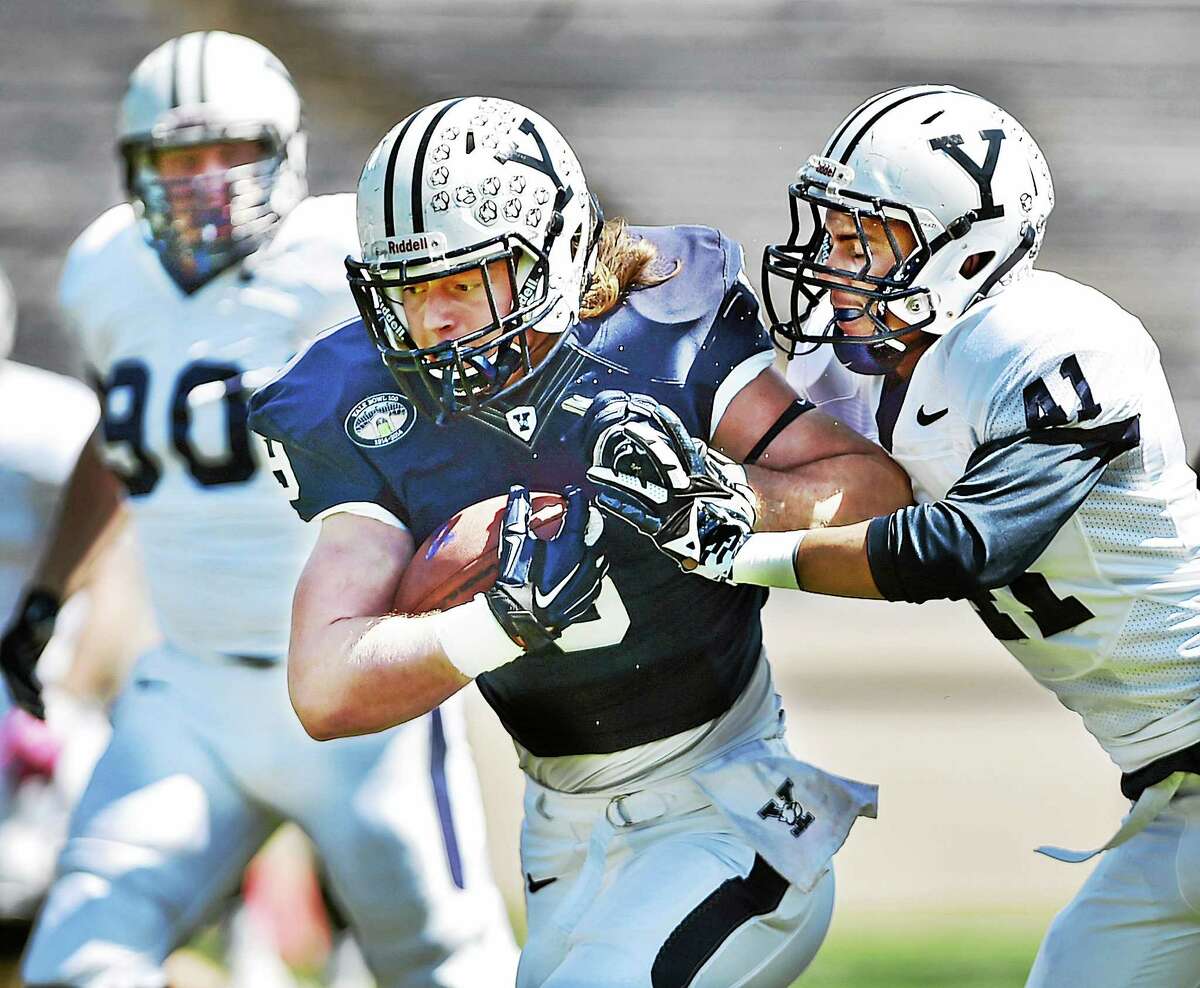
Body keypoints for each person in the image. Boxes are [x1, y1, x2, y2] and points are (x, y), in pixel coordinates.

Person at [248, 94, 912, 987]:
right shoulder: (365, 404)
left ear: (549, 254)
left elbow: (877, 491)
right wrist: (503, 621)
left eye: (460, 282)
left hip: (726, 799)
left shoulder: (657, 336)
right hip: (560, 831)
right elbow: (325, 688)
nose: (433, 320)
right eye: (410, 290)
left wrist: (724, 493)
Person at [590, 84, 1200, 987]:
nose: (831, 268)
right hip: (1169, 798)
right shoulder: (884, 372)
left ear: (971, 247)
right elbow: (781, 456)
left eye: (860, 243)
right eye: (832, 237)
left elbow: (959, 546)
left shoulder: (1053, 342)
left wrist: (727, 540)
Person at [2, 33, 516, 987]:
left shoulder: (347, 260)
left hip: (360, 685)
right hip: (187, 694)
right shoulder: (105, 271)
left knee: (447, 964)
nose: (204, 184)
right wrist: (49, 595)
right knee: (78, 959)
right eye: (177, 160)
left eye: (229, 152)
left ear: (287, 148)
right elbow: (122, 439)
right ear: (134, 171)